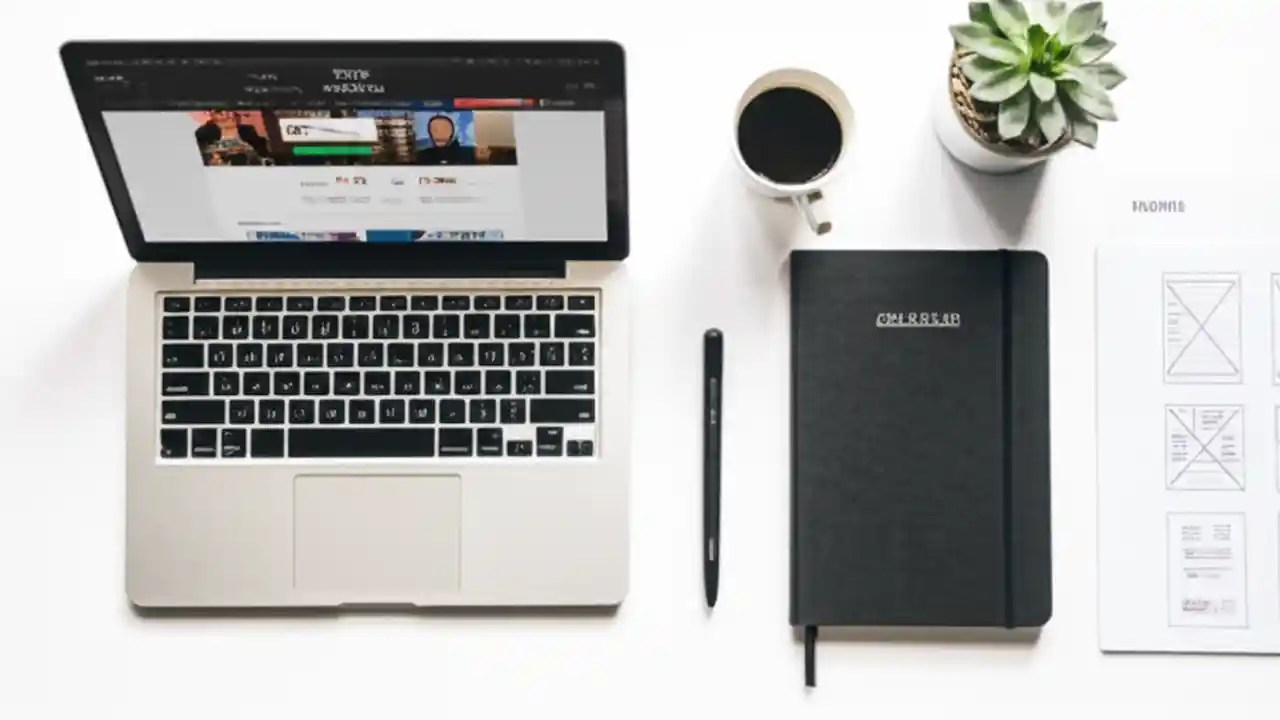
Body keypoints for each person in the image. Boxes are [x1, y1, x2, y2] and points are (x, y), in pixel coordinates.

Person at [194, 110, 272, 166]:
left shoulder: (247, 131)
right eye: (220, 111)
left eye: (232, 111)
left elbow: (264, 156)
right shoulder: (203, 135)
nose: (230, 115)